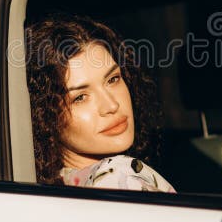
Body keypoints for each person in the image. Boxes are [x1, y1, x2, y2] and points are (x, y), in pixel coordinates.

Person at [25, 14, 175, 193]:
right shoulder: (119, 177)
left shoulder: (57, 186)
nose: (111, 105)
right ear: (43, 116)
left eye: (113, 79)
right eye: (80, 97)